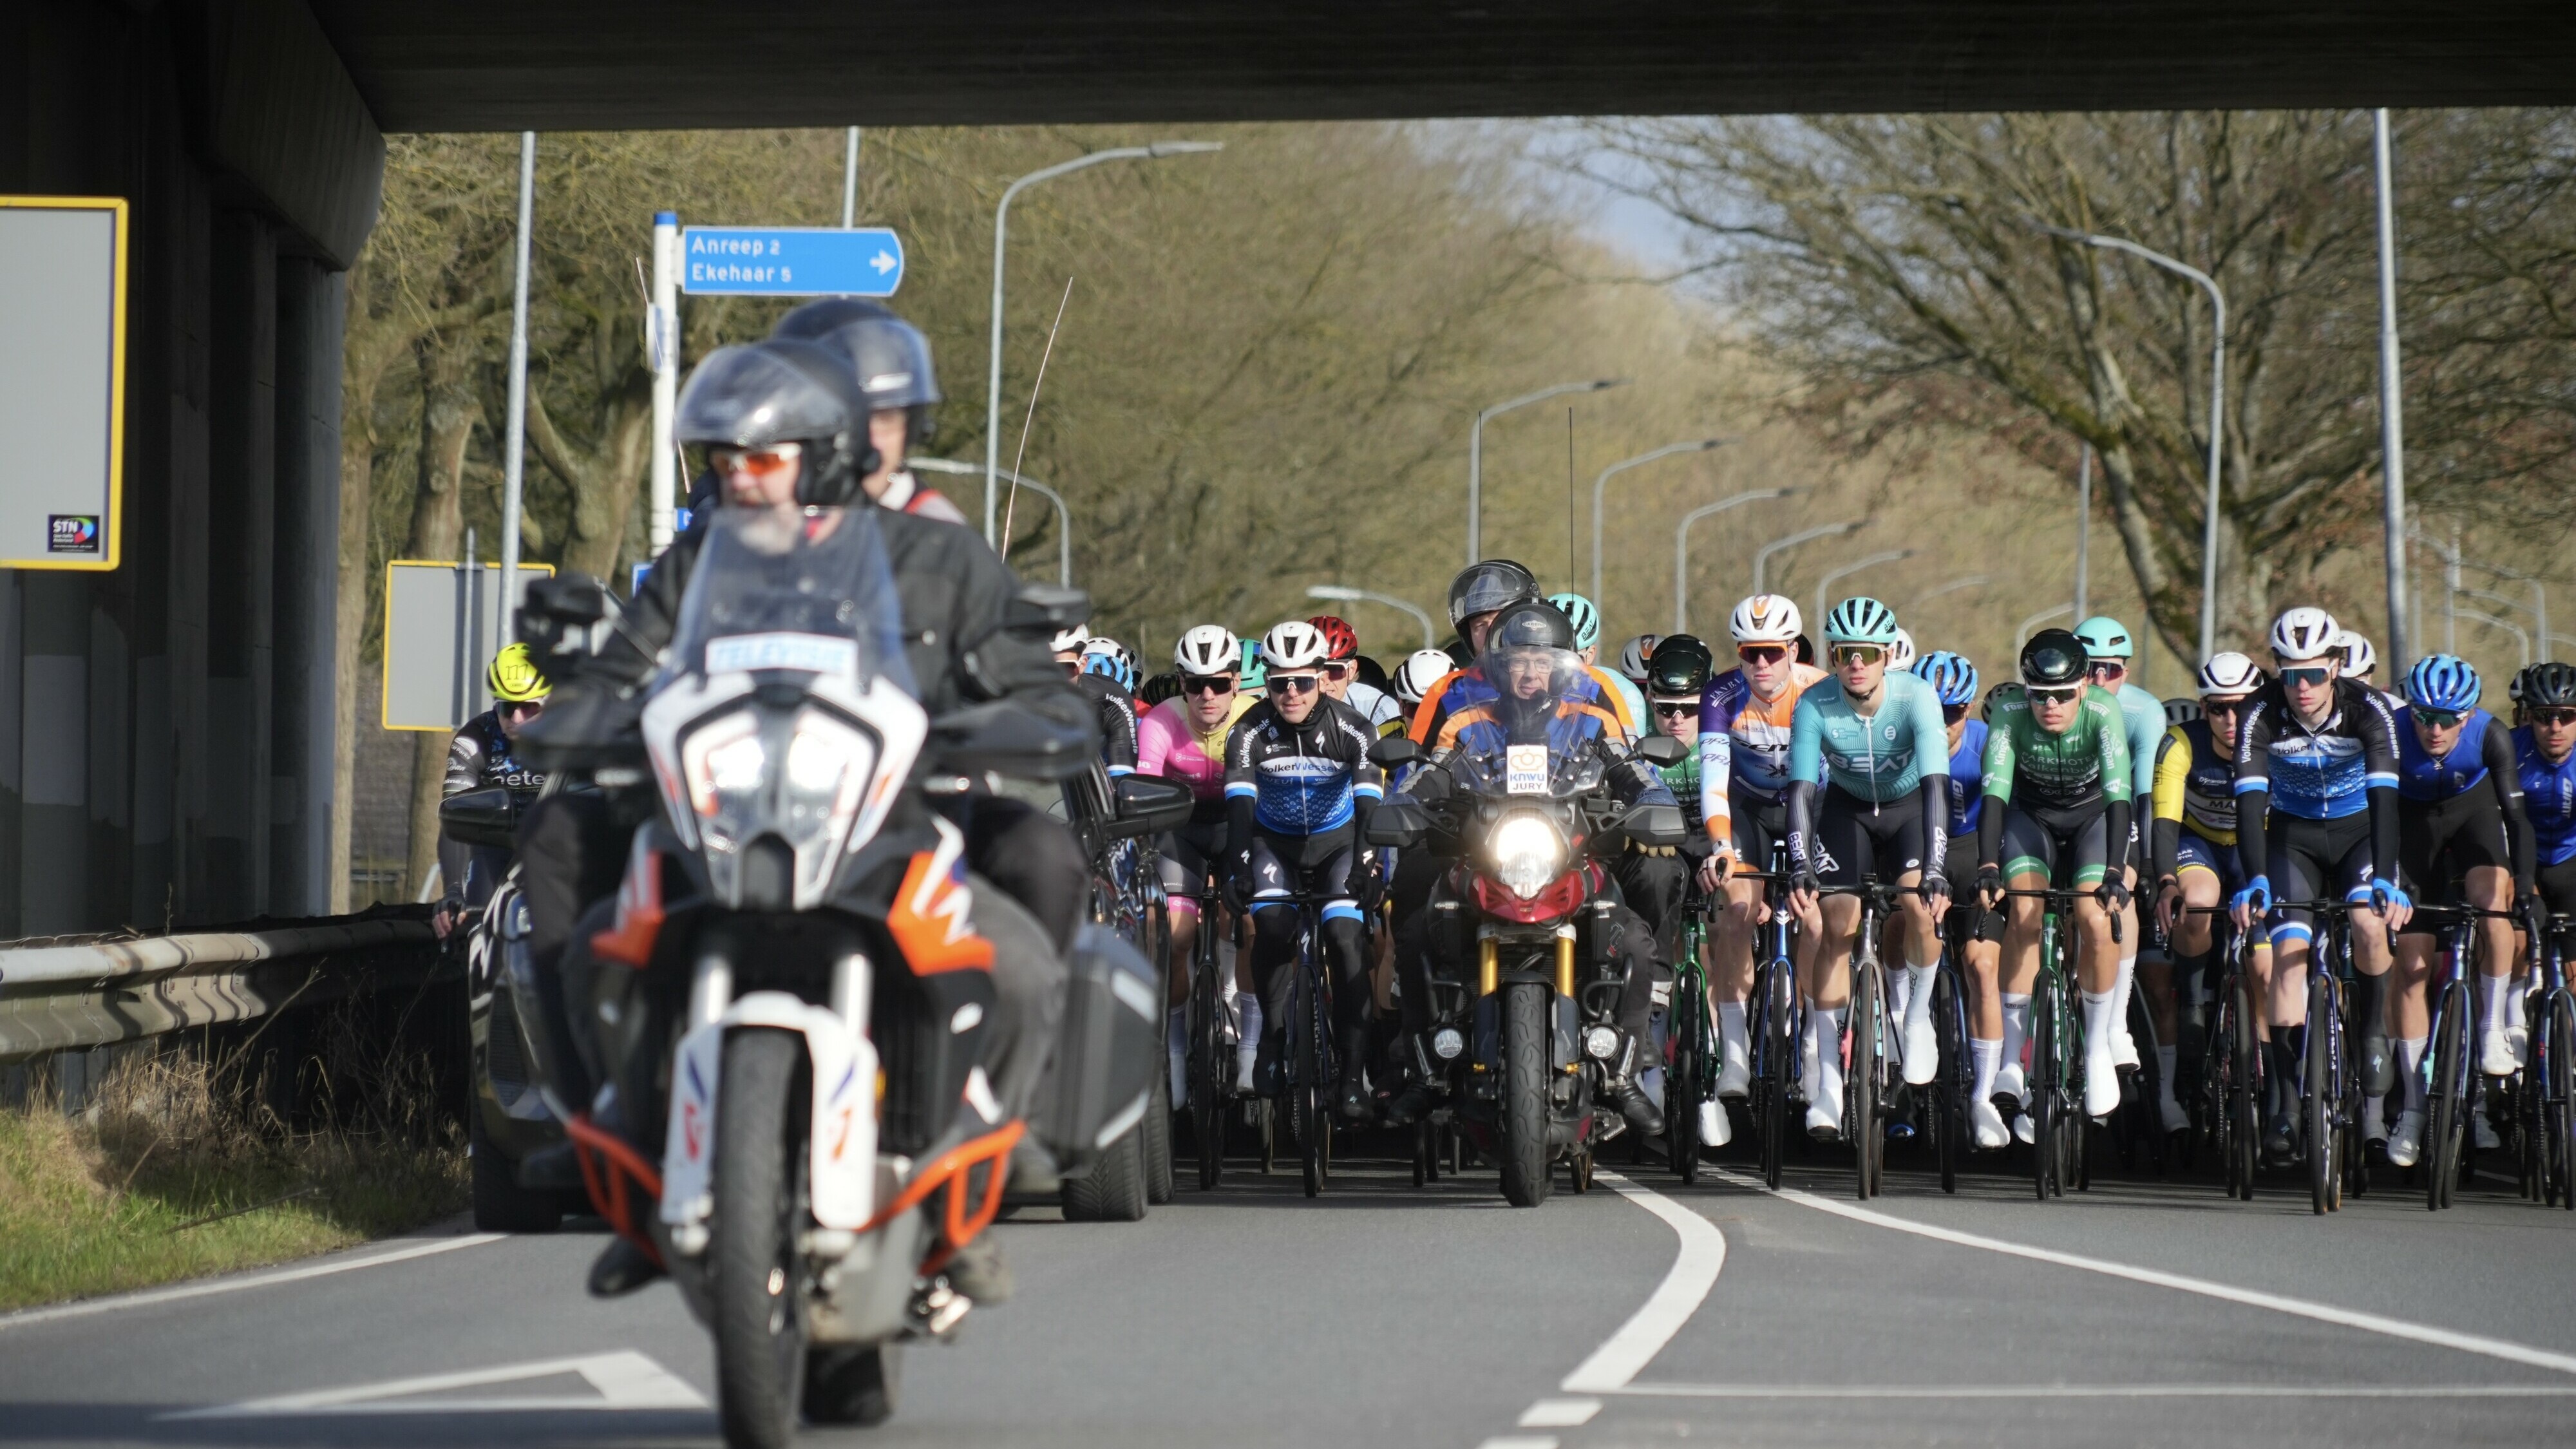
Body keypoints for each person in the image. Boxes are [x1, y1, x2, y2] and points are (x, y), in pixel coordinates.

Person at [514, 333, 1084, 1301]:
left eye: (762, 458)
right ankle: (607, 1128)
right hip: (720, 815)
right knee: (562, 845)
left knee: (1030, 923)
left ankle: (986, 1149)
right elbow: (621, 671)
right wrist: (580, 713)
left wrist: (1022, 722)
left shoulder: (944, 555)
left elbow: (1035, 683)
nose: (739, 478)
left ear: (825, 449)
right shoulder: (702, 557)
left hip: (894, 815)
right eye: (724, 460)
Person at [1423, 601, 1674, 1137]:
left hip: (1571, 861)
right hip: (1489, 860)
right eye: (1519, 661)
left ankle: (1624, 1073)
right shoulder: (1468, 724)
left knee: (1633, 942)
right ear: (1499, 667)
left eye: (1542, 661)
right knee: (1425, 927)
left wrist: (1655, 800)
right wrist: (1406, 800)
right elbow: (1428, 774)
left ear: (1563, 667)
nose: (1530, 673)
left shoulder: (1594, 720)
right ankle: (1424, 1069)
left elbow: (1634, 769)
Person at [2230, 607, 2407, 1166]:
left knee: (2368, 923)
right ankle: (2286, 1104)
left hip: (2360, 834)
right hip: (2293, 840)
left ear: (2335, 667)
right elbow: (2249, 805)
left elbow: (2386, 801)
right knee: (2288, 957)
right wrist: (2256, 877)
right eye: (2289, 674)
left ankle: (2373, 1031)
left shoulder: (2369, 709)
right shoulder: (2260, 713)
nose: (2301, 687)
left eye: (2312, 673)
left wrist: (2387, 876)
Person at [1784, 597, 1952, 1139]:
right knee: (1837, 924)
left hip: (1909, 809)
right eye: (1843, 654)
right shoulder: (1814, 704)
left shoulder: (1916, 697)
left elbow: (1937, 788)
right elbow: (1802, 792)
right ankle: (1829, 1084)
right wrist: (1800, 863)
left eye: (1867, 654)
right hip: (1847, 811)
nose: (1856, 664)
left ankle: (1917, 1018)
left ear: (1886, 656)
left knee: (1918, 907)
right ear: (1833, 657)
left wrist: (1936, 868)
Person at [1976, 629, 2136, 1129]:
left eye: (2063, 695)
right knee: (2025, 911)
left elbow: (2120, 798)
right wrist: (1987, 865)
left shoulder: (2103, 713)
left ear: (2084, 687)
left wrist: (2115, 871)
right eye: (2040, 694)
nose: (2051, 705)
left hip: (2093, 818)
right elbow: (1995, 796)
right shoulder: (2009, 714)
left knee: (2094, 916)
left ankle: (2097, 1047)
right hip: (2031, 818)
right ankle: (2011, 1061)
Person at [1226, 620, 1385, 1120]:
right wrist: (1238, 869)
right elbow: (1240, 812)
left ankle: (1353, 1075)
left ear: (1321, 678)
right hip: (1274, 845)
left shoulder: (1354, 729)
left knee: (1345, 937)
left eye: (1301, 681)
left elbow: (1369, 810)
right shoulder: (1247, 732)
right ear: (1267, 683)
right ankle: (1272, 1041)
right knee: (1272, 928)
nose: (1290, 693)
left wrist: (1367, 865)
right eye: (1279, 683)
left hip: (1339, 846)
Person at [2386, 654, 2532, 1163]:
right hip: (2412, 824)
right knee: (2411, 966)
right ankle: (2413, 1109)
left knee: (2493, 900)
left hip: (2474, 813)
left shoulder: (2491, 735)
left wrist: (2526, 887)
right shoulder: (2391, 731)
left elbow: (2516, 819)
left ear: (2467, 717)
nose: (2434, 730)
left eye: (2448, 720)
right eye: (2424, 717)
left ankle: (2491, 1028)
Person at [1696, 593, 1830, 1102]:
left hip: (1812, 809)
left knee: (1815, 921)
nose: (1761, 664)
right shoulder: (1720, 696)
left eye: (1772, 652)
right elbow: (1714, 782)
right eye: (1749, 653)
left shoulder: (1822, 692)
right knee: (1735, 911)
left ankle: (1814, 1048)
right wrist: (1721, 845)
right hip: (1748, 810)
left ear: (1793, 650)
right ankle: (1734, 1054)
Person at [2148, 652, 2269, 1139]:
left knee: (2265, 965)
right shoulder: (2181, 743)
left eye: (2241, 706)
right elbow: (2164, 821)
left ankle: (2265, 1075)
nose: (2230, 719)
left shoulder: (2276, 740)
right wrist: (2166, 882)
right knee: (2196, 903)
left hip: (2256, 848)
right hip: (2199, 844)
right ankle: (2194, 1004)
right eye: (2219, 708)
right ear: (2204, 709)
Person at [1140, 625, 1261, 1095]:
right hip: (1182, 832)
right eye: (1195, 684)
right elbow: (1145, 795)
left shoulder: (1256, 717)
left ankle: (1246, 1045)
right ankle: (1174, 1050)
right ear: (1181, 684)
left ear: (1236, 682)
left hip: (1238, 826)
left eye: (1218, 683)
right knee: (1176, 937)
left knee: (1249, 924)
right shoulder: (1161, 722)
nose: (1207, 695)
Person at [1917, 650, 2010, 1147]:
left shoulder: (1987, 743)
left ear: (1968, 709)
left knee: (1981, 966)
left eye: (1952, 713)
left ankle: (1983, 1097)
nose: (1943, 724)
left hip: (1976, 852)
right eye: (1932, 712)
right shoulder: (1901, 742)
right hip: (1920, 850)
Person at [770, 299, 969, 523]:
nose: (868, 445)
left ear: (912, 428)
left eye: (884, 419)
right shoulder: (755, 521)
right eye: (841, 422)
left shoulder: (939, 537)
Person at [1643, 634, 1730, 1148]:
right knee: (1662, 938)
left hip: (1714, 841)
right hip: (1665, 845)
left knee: (1718, 948)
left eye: (1690, 709)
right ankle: (1652, 1068)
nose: (1677, 719)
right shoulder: (1640, 742)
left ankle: (1712, 1084)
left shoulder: (1723, 738)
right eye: (1665, 708)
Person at [2071, 616, 2164, 1083]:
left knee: (2118, 895)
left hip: (2114, 812)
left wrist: (2145, 864)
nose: (2099, 678)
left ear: (2125, 673)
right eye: (2090, 668)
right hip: (2057, 816)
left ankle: (2115, 1022)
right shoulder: (2054, 701)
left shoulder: (2142, 712)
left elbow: (2144, 794)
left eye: (2110, 669)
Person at [433, 643, 551, 940]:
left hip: (557, 848)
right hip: (495, 850)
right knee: (474, 923)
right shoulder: (476, 738)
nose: (517, 719)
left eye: (530, 707)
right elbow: (454, 819)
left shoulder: (577, 734)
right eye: (506, 707)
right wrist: (453, 891)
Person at [1551, 591, 1649, 727]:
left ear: (1590, 655)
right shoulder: (1526, 686)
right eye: (1550, 659)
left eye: (1573, 660)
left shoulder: (1619, 691)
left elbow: (1630, 739)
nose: (1561, 669)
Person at [1054, 625, 1139, 775]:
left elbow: (1121, 781)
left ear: (1082, 665)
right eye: (1043, 668)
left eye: (1065, 668)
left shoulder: (1113, 699)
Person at [1307, 614, 1406, 733]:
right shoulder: (1287, 705)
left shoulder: (1378, 707)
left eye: (1334, 669)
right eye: (1314, 671)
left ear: (1351, 670)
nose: (1324, 681)